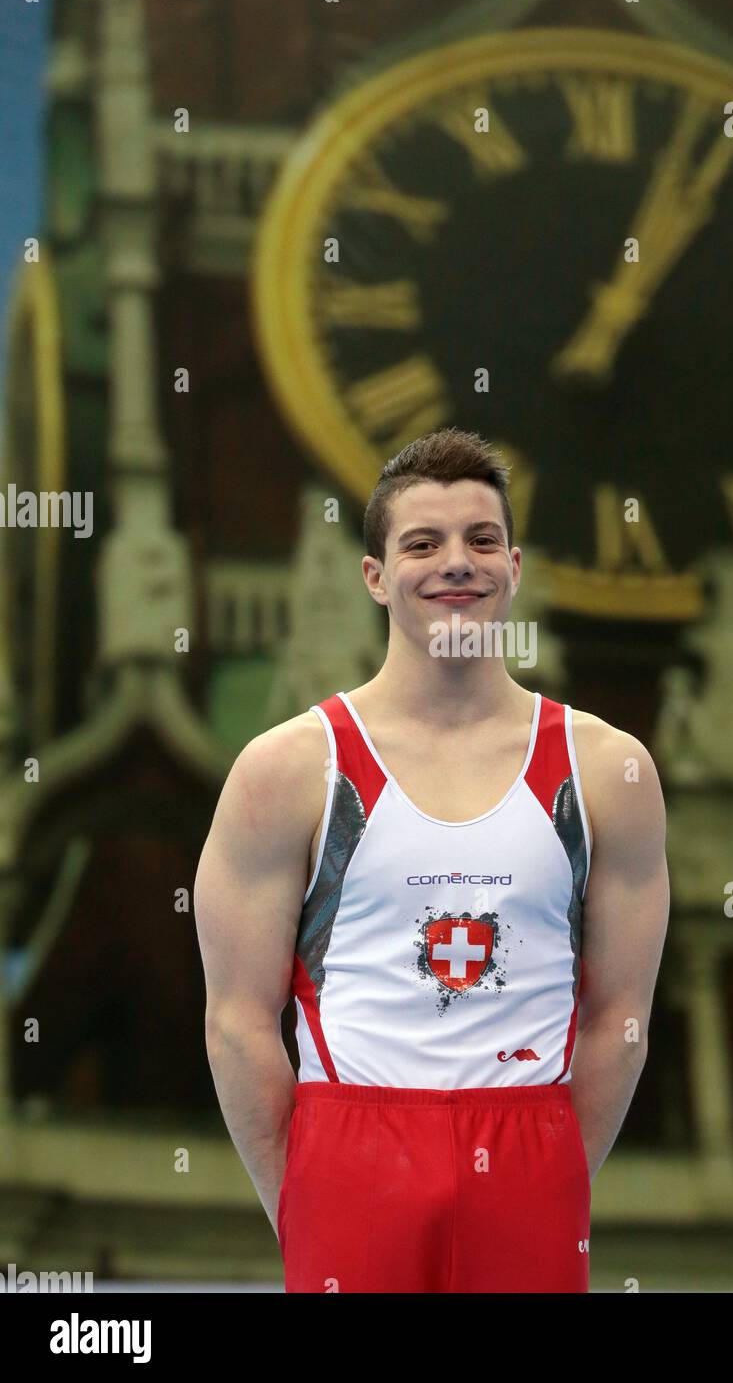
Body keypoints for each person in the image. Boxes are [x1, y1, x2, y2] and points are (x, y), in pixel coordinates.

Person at [194, 427, 669, 1293]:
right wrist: (306, 1199)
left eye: (482, 540)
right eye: (424, 543)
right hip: (350, 1151)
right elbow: (237, 1022)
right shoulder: (290, 770)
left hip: (532, 1143)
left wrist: (551, 1174)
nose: (458, 562)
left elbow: (620, 1021)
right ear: (375, 577)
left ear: (514, 566)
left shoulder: (608, 771)